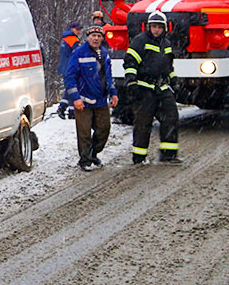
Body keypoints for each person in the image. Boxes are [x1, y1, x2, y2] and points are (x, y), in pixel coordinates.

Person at [124, 13, 180, 164]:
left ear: (164, 28)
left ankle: (168, 155)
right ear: (149, 27)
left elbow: (168, 65)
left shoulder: (166, 43)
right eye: (153, 27)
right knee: (143, 123)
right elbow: (130, 62)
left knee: (171, 117)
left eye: (159, 27)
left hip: (161, 87)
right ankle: (139, 157)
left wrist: (174, 80)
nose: (156, 30)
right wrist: (131, 82)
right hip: (144, 87)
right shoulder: (140, 41)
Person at [63, 25, 117, 169]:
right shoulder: (79, 53)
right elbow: (70, 77)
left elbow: (108, 76)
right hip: (84, 101)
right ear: (88, 37)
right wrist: (75, 98)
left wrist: (113, 93)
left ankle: (94, 154)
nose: (96, 38)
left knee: (104, 129)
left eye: (99, 36)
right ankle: (85, 160)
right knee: (84, 133)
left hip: (101, 100)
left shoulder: (104, 54)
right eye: (93, 36)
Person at [56, 22, 84, 118]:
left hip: (64, 66)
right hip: (70, 67)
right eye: (77, 29)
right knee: (73, 88)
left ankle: (62, 107)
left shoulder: (65, 38)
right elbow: (79, 52)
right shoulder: (73, 39)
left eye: (80, 29)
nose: (79, 31)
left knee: (69, 88)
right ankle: (72, 111)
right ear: (72, 29)